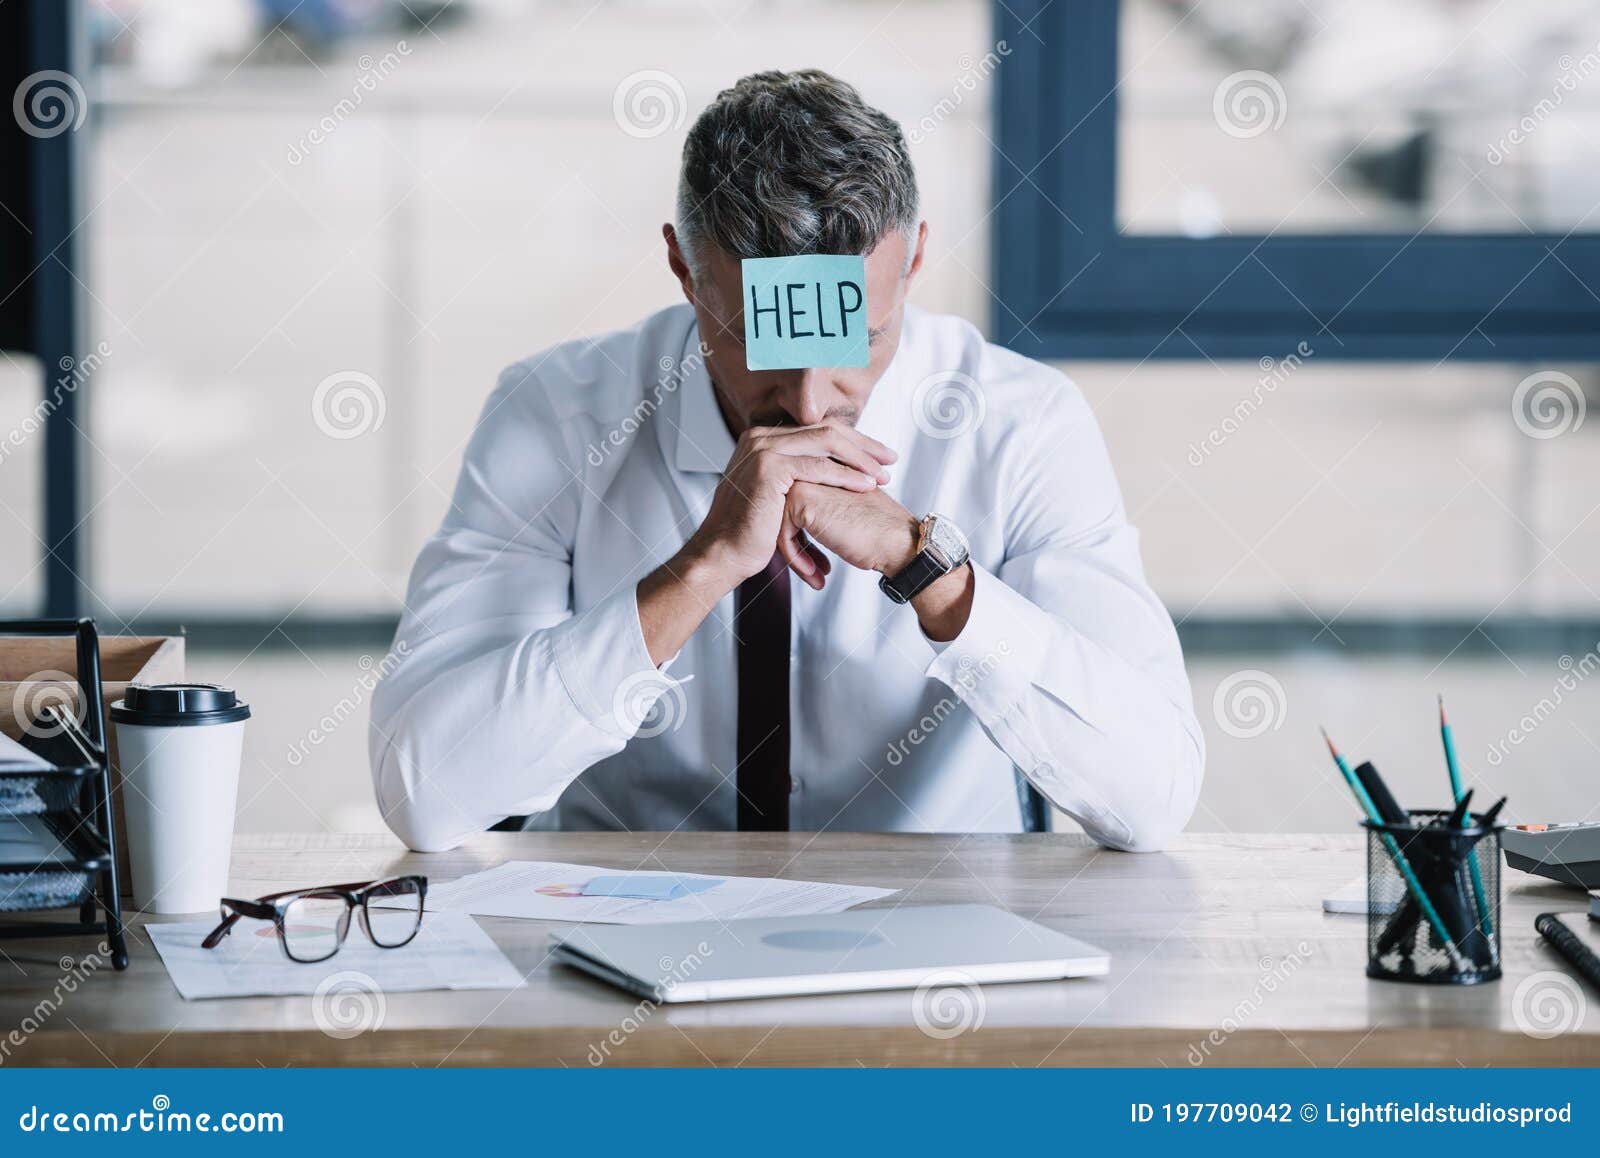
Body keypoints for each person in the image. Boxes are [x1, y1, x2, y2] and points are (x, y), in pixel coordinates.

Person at [370, 70, 1202, 853]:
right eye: (756, 339)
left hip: (940, 918)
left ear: (912, 261)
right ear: (685, 270)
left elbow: (1153, 797)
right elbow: (425, 795)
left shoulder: (1022, 423)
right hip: (622, 915)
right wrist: (699, 571)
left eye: (858, 338)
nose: (807, 407)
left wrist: (929, 569)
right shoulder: (557, 415)